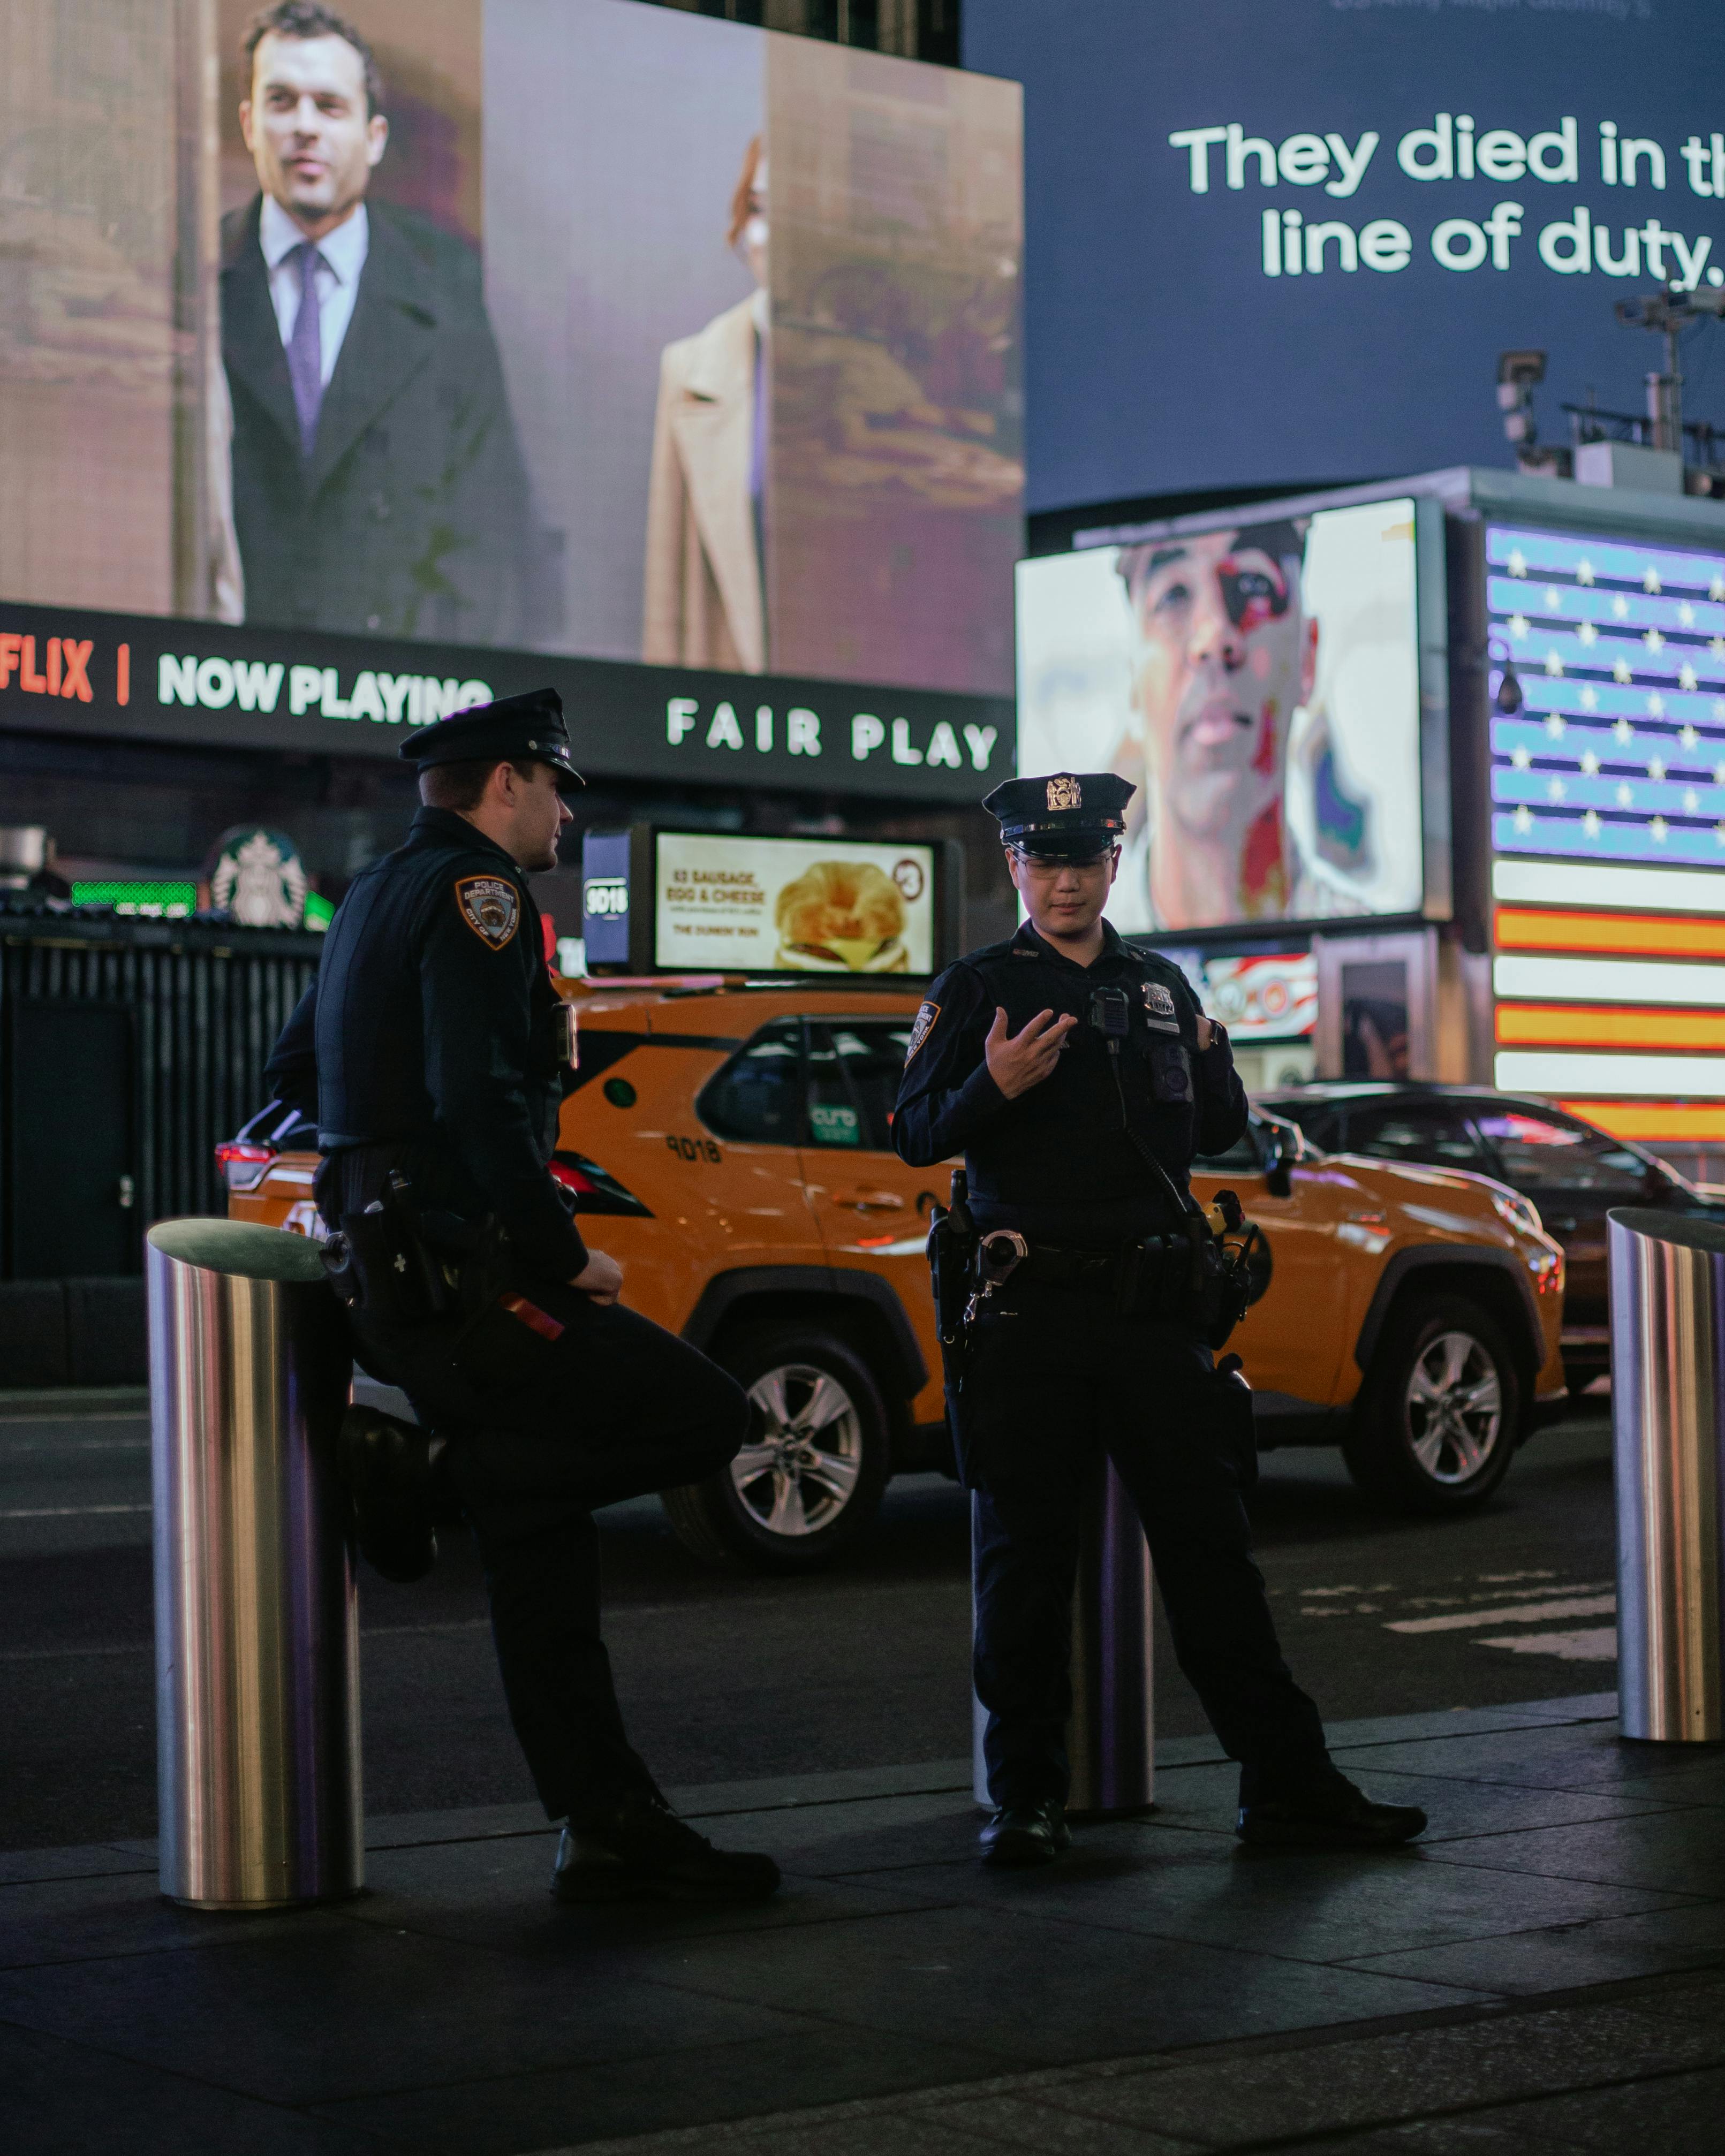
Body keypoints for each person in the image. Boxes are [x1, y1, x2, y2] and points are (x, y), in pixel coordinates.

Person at [265, 686, 780, 1905]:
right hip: (468, 1277)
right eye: (555, 786)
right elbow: (482, 1101)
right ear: (505, 784)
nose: (562, 811)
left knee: (545, 1546)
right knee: (710, 1418)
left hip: (392, 1274)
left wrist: (368, 1172)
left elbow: (292, 1070)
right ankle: (428, 1476)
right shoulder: (481, 899)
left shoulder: (370, 899)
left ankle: (605, 1823)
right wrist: (557, 1253)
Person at [891, 769, 1427, 1867]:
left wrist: (1216, 1051)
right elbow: (911, 1131)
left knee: (1214, 1556)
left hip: (1154, 1318)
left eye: (1084, 859)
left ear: (1113, 863)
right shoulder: (979, 985)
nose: (1066, 880)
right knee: (1023, 1567)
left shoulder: (1163, 989)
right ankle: (1027, 1801)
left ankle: (1289, 1784)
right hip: (1029, 1311)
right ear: (1016, 868)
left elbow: (1221, 1126)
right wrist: (991, 1083)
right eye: (1045, 860)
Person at [222, 3, 540, 644]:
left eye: (330, 106)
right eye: (282, 102)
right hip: (219, 705)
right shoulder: (198, 279)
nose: (304, 128)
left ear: (374, 136)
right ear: (251, 125)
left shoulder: (446, 301)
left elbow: (484, 540)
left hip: (393, 716)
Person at [1111, 521, 1372, 933]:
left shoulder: (1372, 950)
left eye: (1253, 586)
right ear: (1132, 686)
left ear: (1308, 658)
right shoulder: (1066, 973)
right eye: (1173, 596)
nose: (1214, 637)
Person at [642, 135, 770, 674]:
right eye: (760, 208)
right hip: (728, 731)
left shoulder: (905, 377)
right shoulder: (692, 369)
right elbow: (665, 600)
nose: (772, 233)